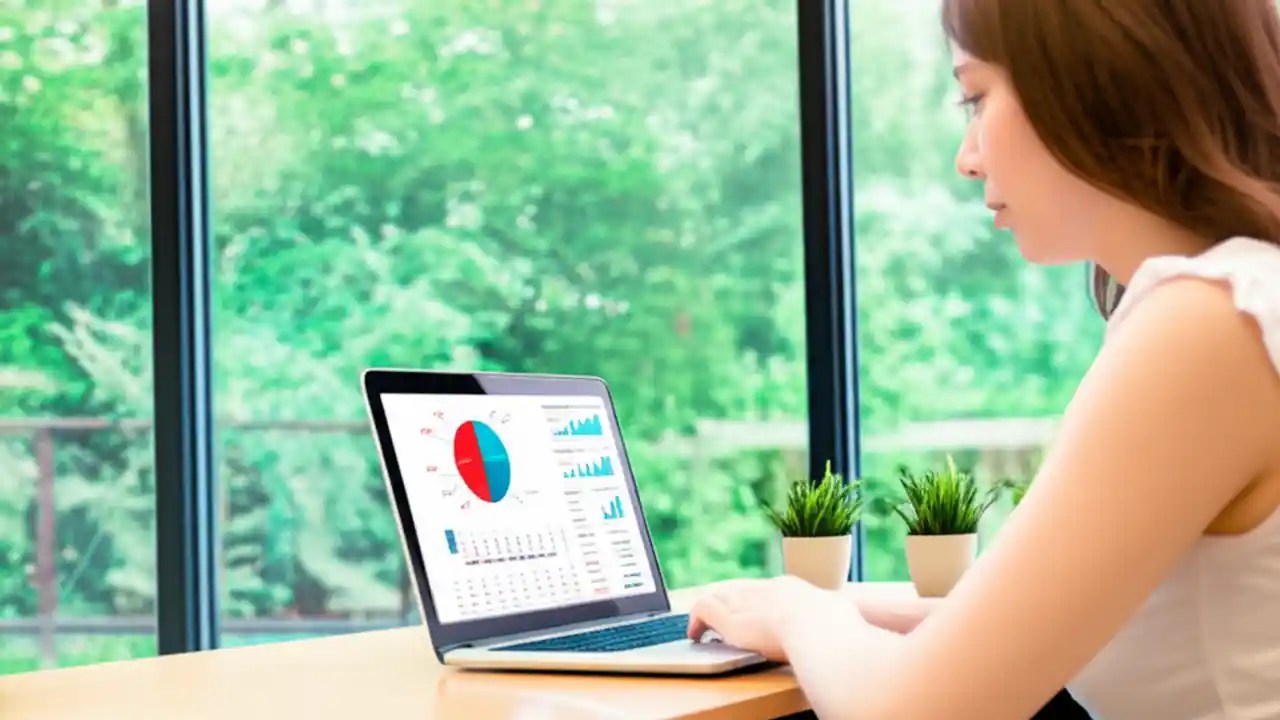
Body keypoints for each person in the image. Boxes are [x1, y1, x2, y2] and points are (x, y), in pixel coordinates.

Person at [686, 1, 1280, 718]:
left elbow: (916, 713)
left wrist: (799, 617)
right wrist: (817, 605)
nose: (966, 160)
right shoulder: (1243, 303)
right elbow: (1028, 624)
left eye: (977, 97)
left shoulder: (1212, 322)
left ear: (1097, 78)